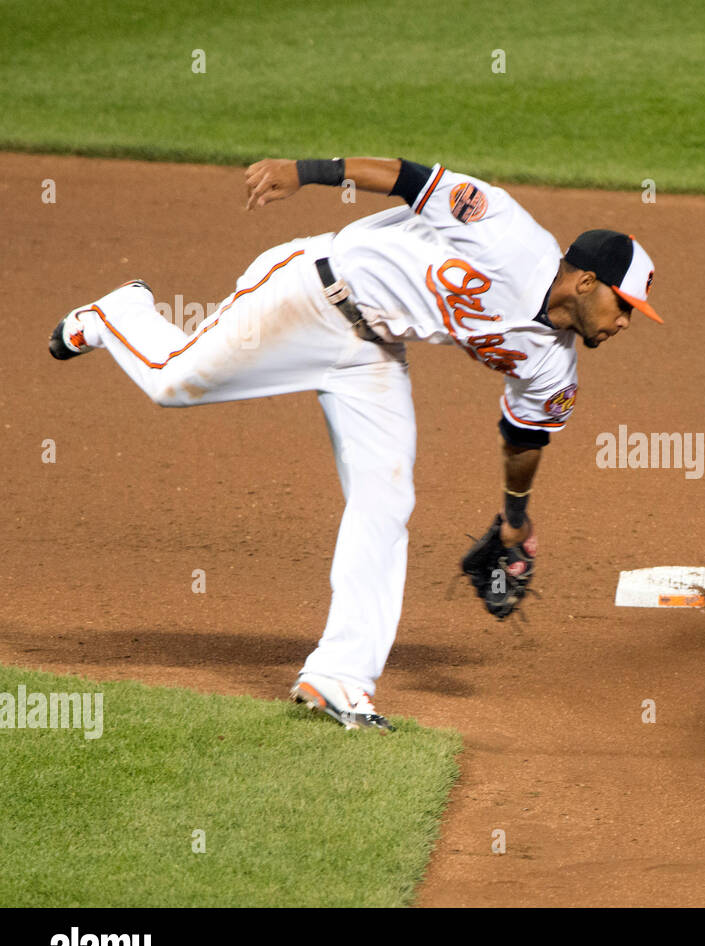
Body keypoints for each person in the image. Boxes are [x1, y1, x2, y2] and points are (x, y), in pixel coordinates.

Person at [48, 156, 662, 730]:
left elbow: (525, 436)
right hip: (309, 291)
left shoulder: (553, 366)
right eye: (624, 304)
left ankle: (339, 677)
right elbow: (408, 177)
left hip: (372, 354)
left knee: (386, 499)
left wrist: (514, 521)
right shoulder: (505, 231)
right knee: (172, 382)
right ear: (586, 282)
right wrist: (304, 172)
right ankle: (119, 313)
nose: (626, 321)